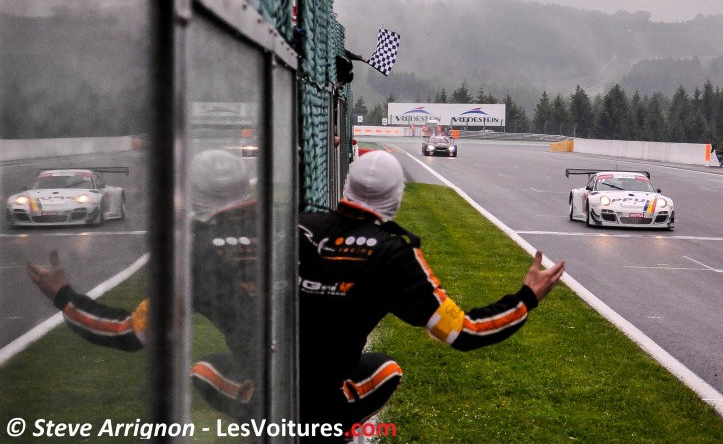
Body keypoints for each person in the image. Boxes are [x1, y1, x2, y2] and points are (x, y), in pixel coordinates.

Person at [297, 150, 565, 439]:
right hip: (317, 402)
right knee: (388, 370)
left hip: (263, 384)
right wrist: (527, 298)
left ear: (348, 187)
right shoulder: (392, 254)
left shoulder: (298, 225)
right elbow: (466, 332)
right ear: (396, 197)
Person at [27, 149, 263, 420]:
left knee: (206, 372)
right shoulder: (285, 226)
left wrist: (64, 296)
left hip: (274, 372)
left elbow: (127, 332)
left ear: (191, 194)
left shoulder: (195, 253)